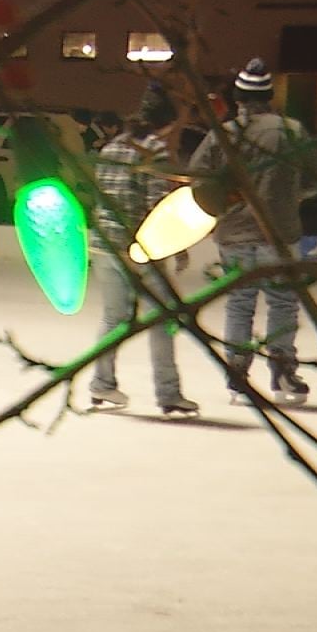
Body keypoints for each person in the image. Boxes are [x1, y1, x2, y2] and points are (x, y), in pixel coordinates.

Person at [188, 58, 317, 405]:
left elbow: (198, 174)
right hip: (279, 230)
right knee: (282, 302)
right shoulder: (291, 130)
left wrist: (220, 205)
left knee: (239, 302)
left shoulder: (226, 133)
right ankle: (283, 370)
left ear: (238, 97)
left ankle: (237, 373)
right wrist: (292, 195)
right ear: (269, 95)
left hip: (234, 232)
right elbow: (314, 177)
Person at [87, 84, 199, 418]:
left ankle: (101, 382)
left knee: (113, 317)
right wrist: (177, 247)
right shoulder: (154, 152)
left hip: (103, 243)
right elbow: (156, 205)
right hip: (140, 248)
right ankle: (169, 393)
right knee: (161, 319)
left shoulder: (110, 148)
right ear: (165, 123)